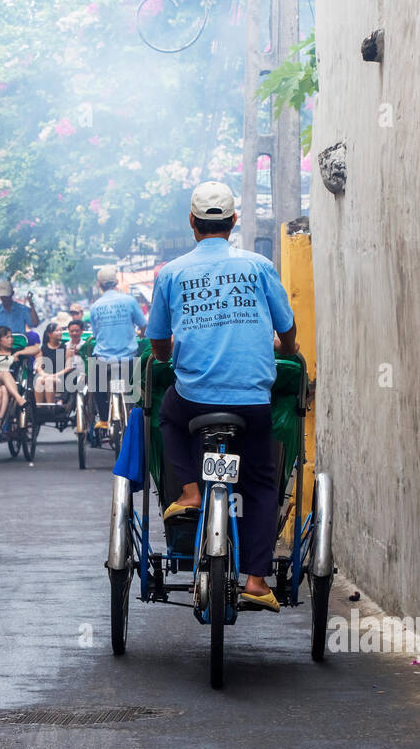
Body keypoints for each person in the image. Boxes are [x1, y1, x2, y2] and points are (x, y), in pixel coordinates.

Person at [147, 181, 298, 613]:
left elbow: (159, 342)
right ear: (234, 222)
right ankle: (255, 580)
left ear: (193, 223)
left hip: (194, 399)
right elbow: (287, 332)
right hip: (252, 404)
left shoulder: (171, 273)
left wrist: (167, 354)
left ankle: (192, 491)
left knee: (169, 417)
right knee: (261, 482)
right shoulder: (258, 266)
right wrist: (287, 351)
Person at [88, 264, 147, 430]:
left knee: (95, 383)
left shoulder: (95, 307)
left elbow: (96, 333)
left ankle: (105, 419)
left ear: (99, 285)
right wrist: (141, 334)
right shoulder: (129, 301)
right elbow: (143, 326)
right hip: (129, 359)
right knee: (139, 387)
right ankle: (135, 413)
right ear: (116, 282)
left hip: (103, 360)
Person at [0, 325, 39, 411]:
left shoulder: (16, 351)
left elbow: (36, 349)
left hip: (13, 384)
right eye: (7, 337)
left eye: (11, 337)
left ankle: (0, 422)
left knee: (4, 388)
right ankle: (18, 398)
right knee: (3, 372)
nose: (11, 339)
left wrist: (18, 353)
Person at [33, 323, 72, 404]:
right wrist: (44, 374)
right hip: (45, 376)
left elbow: (68, 367)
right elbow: (38, 367)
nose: (60, 332)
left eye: (61, 330)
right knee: (39, 380)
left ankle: (50, 407)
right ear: (49, 334)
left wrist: (54, 375)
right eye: (57, 330)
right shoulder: (42, 348)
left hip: (61, 379)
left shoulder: (66, 348)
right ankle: (39, 408)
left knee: (49, 380)